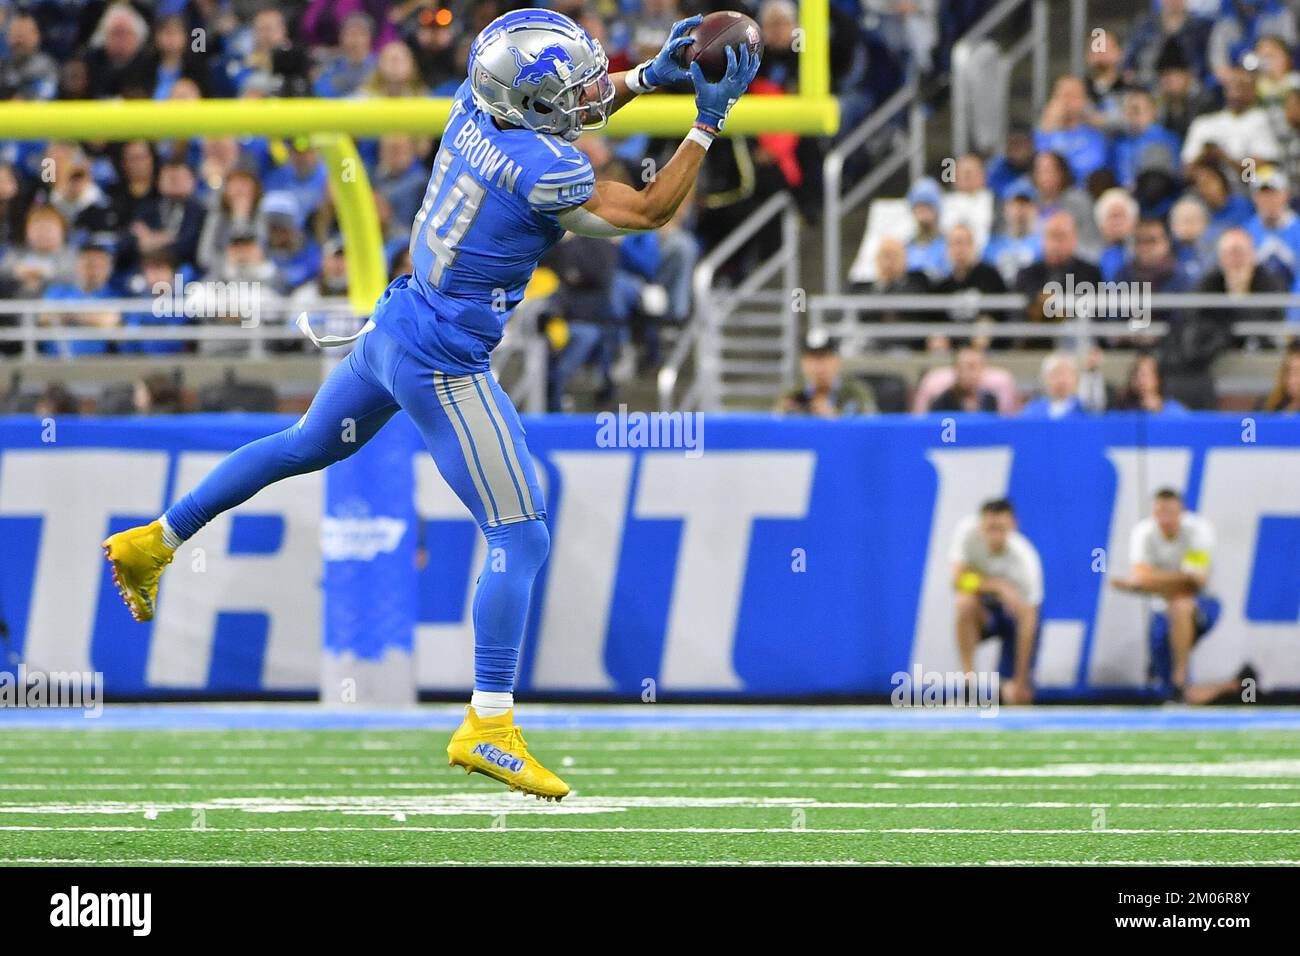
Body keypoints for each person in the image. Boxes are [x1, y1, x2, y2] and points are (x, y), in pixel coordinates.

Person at [102, 9, 761, 803]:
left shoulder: (470, 103)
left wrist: (651, 76)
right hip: (444, 358)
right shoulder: (545, 172)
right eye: (572, 84)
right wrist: (707, 122)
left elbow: (564, 108)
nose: (588, 91)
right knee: (520, 535)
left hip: (399, 320)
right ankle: (488, 721)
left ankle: (156, 538)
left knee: (303, 443)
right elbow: (649, 210)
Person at [1111, 489, 1218, 701]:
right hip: (1162, 609)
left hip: (1203, 602)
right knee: (1168, 690)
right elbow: (1142, 575)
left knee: (1182, 605)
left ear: (1182, 512)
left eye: (1171, 512)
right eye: (1160, 513)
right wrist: (1179, 578)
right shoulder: (1144, 531)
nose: (1165, 519)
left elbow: (1196, 582)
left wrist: (1149, 581)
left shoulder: (1198, 530)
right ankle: (1238, 685)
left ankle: (1180, 678)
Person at [949, 499, 1043, 705]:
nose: (995, 535)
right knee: (965, 602)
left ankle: (1013, 683)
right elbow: (957, 580)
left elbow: (1029, 621)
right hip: (984, 613)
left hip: (1013, 620)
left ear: (1012, 526)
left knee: (1015, 696)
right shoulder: (967, 535)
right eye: (990, 528)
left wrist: (1020, 680)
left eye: (1001, 528)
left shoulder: (1025, 559)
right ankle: (968, 682)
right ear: (980, 525)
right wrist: (998, 586)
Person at [775, 329, 877, 417]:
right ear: (803, 363)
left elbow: (868, 428)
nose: (819, 366)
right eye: (813, 358)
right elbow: (777, 427)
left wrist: (834, 418)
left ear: (836, 360)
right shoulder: (792, 394)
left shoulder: (856, 392)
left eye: (824, 357)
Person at [1116, 351, 1187, 414]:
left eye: (1145, 375)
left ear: (1157, 379)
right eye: (1136, 374)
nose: (1140, 379)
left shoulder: (1174, 411)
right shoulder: (1124, 410)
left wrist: (1158, 410)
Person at [1021, 352, 1087, 418]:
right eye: (1056, 374)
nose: (1062, 380)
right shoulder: (1032, 411)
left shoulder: (1086, 410)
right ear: (1045, 378)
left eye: (1067, 374)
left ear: (1076, 379)